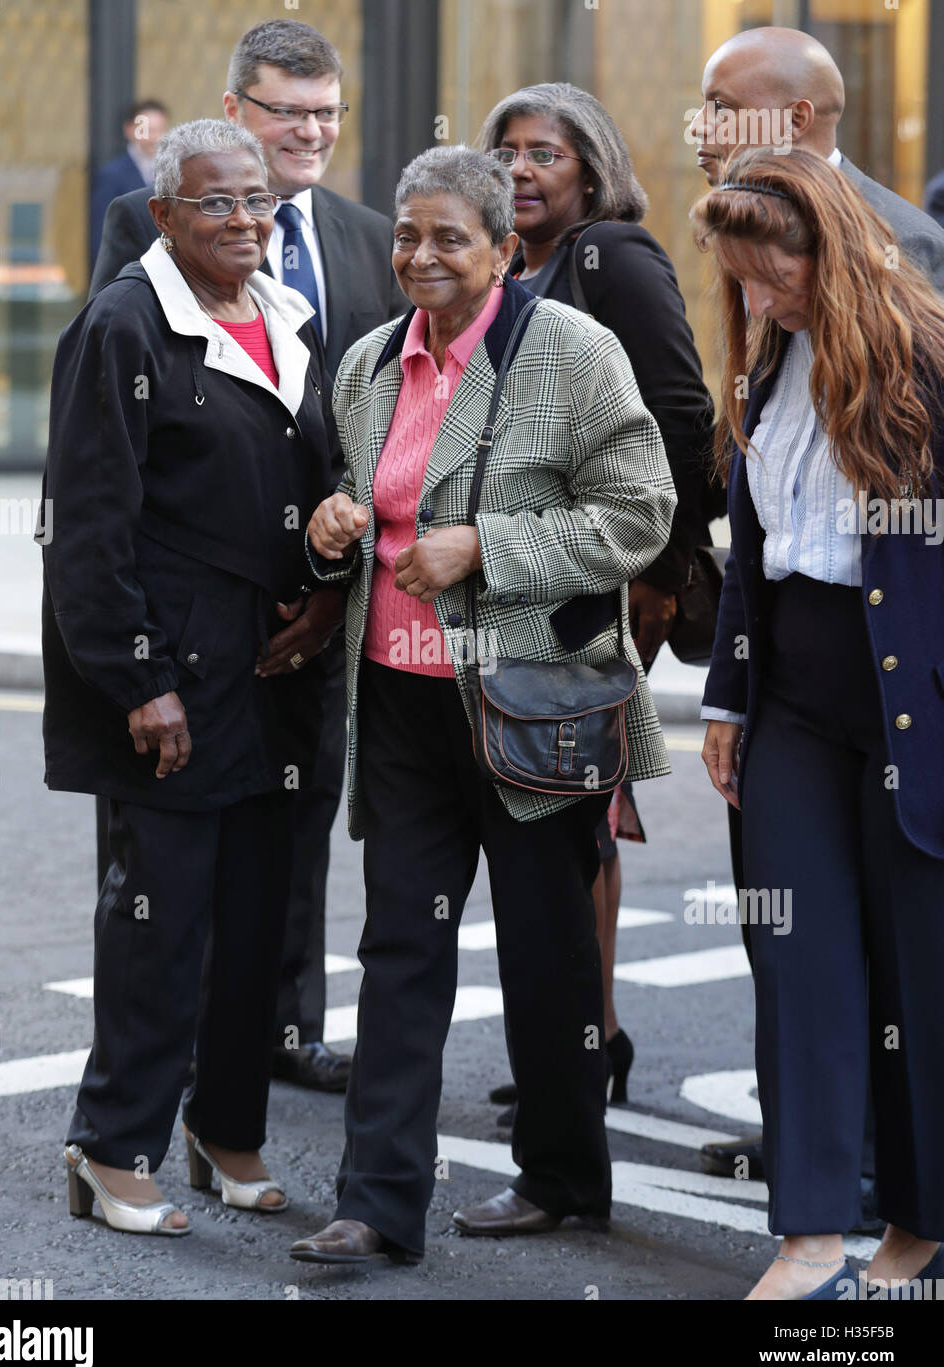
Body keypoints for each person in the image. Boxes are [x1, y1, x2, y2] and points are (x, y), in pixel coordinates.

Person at [288, 145, 676, 1265]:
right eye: (408, 234)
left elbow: (642, 513)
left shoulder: (571, 349)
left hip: (530, 699)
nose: (419, 256)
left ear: (506, 252)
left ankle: (562, 1176)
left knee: (548, 952)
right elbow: (363, 508)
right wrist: (331, 533)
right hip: (401, 703)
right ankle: (379, 1203)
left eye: (449, 237)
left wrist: (486, 548)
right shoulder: (366, 362)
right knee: (400, 945)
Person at [89, 19, 409, 1096]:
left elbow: (375, 420)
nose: (310, 132)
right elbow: (108, 444)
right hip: (189, 609)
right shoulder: (143, 225)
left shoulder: (372, 240)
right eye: (288, 112)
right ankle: (164, 1045)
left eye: (327, 114)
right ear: (237, 110)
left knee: (297, 817)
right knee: (169, 843)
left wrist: (332, 588)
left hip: (319, 598)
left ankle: (279, 1028)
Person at [40, 119, 342, 1235]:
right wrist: (137, 681)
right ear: (164, 216)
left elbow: (318, 489)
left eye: (258, 202)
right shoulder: (122, 323)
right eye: (216, 204)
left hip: (275, 675)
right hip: (169, 672)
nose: (244, 222)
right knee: (160, 924)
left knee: (259, 921)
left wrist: (323, 596)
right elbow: (88, 529)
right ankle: (112, 1144)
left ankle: (228, 1129)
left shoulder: (288, 318)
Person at [689, 23, 944, 1191]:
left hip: (897, 671)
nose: (698, 126)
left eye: (718, 102)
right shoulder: (749, 285)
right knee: (794, 941)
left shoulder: (910, 255)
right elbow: (757, 514)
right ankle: (812, 1195)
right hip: (788, 670)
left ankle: (902, 1199)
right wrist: (730, 692)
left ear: (791, 122)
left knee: (903, 958)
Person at [475, 83, 717, 1125]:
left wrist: (652, 577)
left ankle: (582, 1045)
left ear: (591, 169)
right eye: (507, 155)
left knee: (572, 806)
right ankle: (591, 1035)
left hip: (605, 587)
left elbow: (681, 416)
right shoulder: (515, 270)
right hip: (538, 581)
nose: (522, 171)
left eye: (544, 154)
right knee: (571, 802)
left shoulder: (609, 258)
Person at [89, 100, 169, 267]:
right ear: (130, 130)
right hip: (129, 271)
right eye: (148, 130)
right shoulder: (112, 175)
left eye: (160, 130)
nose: (155, 137)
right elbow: (102, 235)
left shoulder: (172, 171)